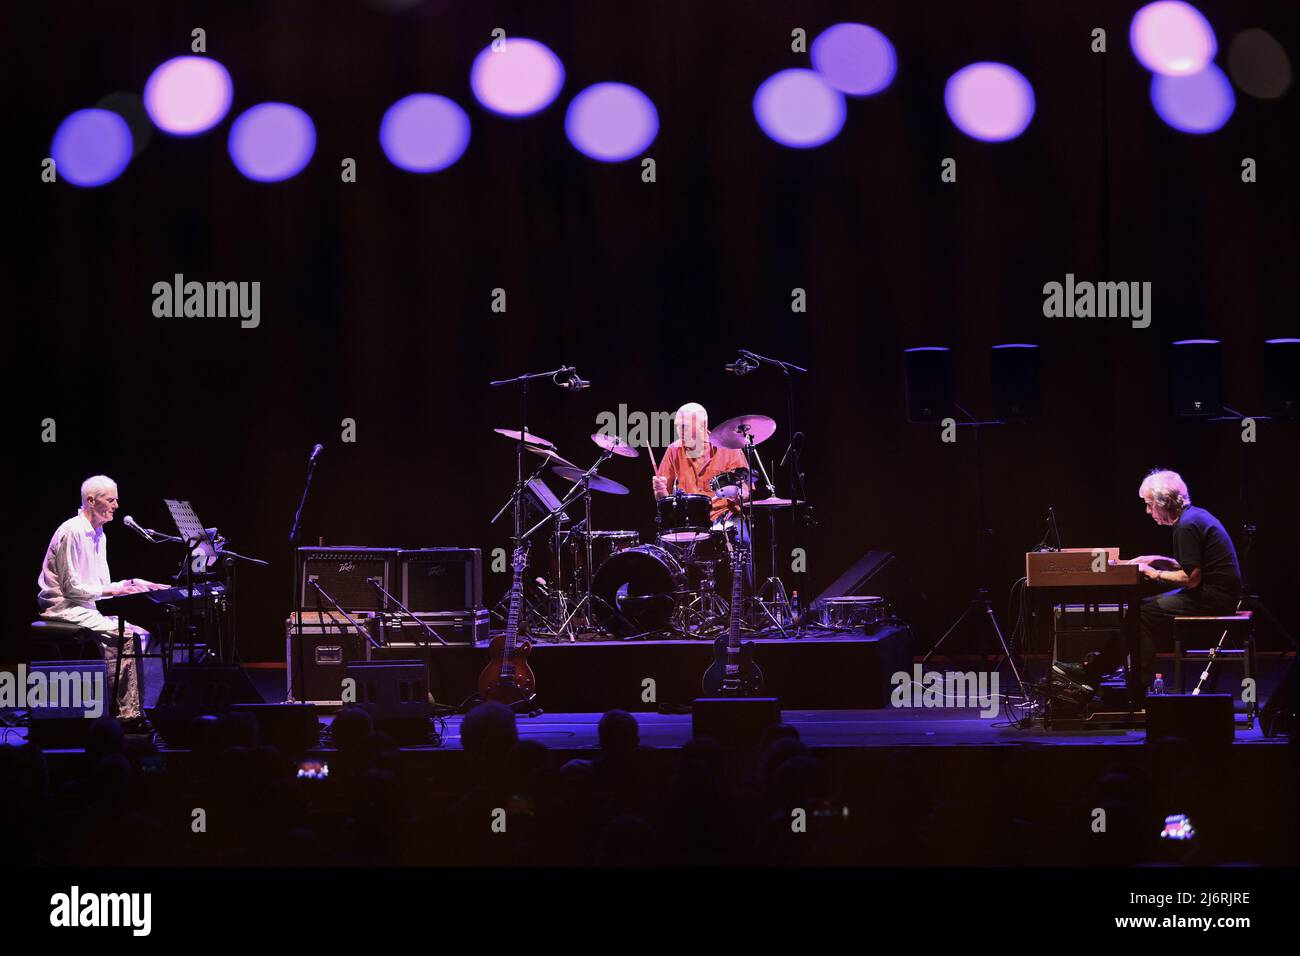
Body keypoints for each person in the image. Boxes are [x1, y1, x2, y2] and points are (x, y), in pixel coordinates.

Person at [1057, 469, 1242, 694]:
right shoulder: (1193, 517)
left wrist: (1153, 573)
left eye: (1149, 504)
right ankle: (1100, 669)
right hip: (1214, 593)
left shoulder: (1186, 525)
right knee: (1139, 610)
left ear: (1163, 502)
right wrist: (1159, 560)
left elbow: (1191, 579)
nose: (1147, 510)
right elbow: (1193, 567)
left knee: (1143, 613)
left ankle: (1134, 687)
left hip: (1214, 599)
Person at [37, 476, 168, 730]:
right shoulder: (72, 531)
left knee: (143, 635)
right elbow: (71, 588)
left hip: (84, 607)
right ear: (90, 501)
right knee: (126, 635)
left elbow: (101, 585)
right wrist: (116, 591)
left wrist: (132, 583)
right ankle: (127, 715)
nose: (117, 505)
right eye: (111, 499)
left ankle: (139, 706)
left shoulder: (100, 534)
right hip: (62, 607)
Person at [651, 402, 752, 530]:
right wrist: (660, 492)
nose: (679, 432)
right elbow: (664, 502)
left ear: (702, 426)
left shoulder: (729, 448)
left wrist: (737, 494)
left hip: (725, 519)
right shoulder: (674, 450)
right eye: (677, 426)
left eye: (684, 427)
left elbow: (746, 492)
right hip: (688, 522)